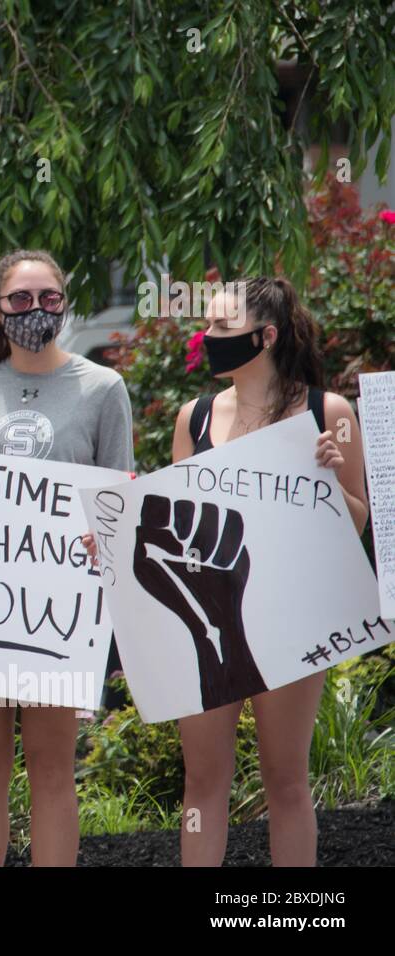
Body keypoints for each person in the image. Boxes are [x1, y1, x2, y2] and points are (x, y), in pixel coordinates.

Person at [0, 249, 134, 866]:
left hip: (59, 611)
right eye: (20, 300)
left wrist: (103, 534)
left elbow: (119, 496)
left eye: (50, 298)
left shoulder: (103, 387)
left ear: (64, 304)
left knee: (53, 773)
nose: (36, 310)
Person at [167, 276, 366, 866]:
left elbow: (357, 525)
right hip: (209, 614)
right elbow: (181, 518)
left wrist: (330, 480)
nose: (208, 337)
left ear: (266, 336)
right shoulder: (194, 418)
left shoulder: (326, 411)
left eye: (223, 327)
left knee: (287, 779)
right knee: (202, 783)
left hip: (291, 616)